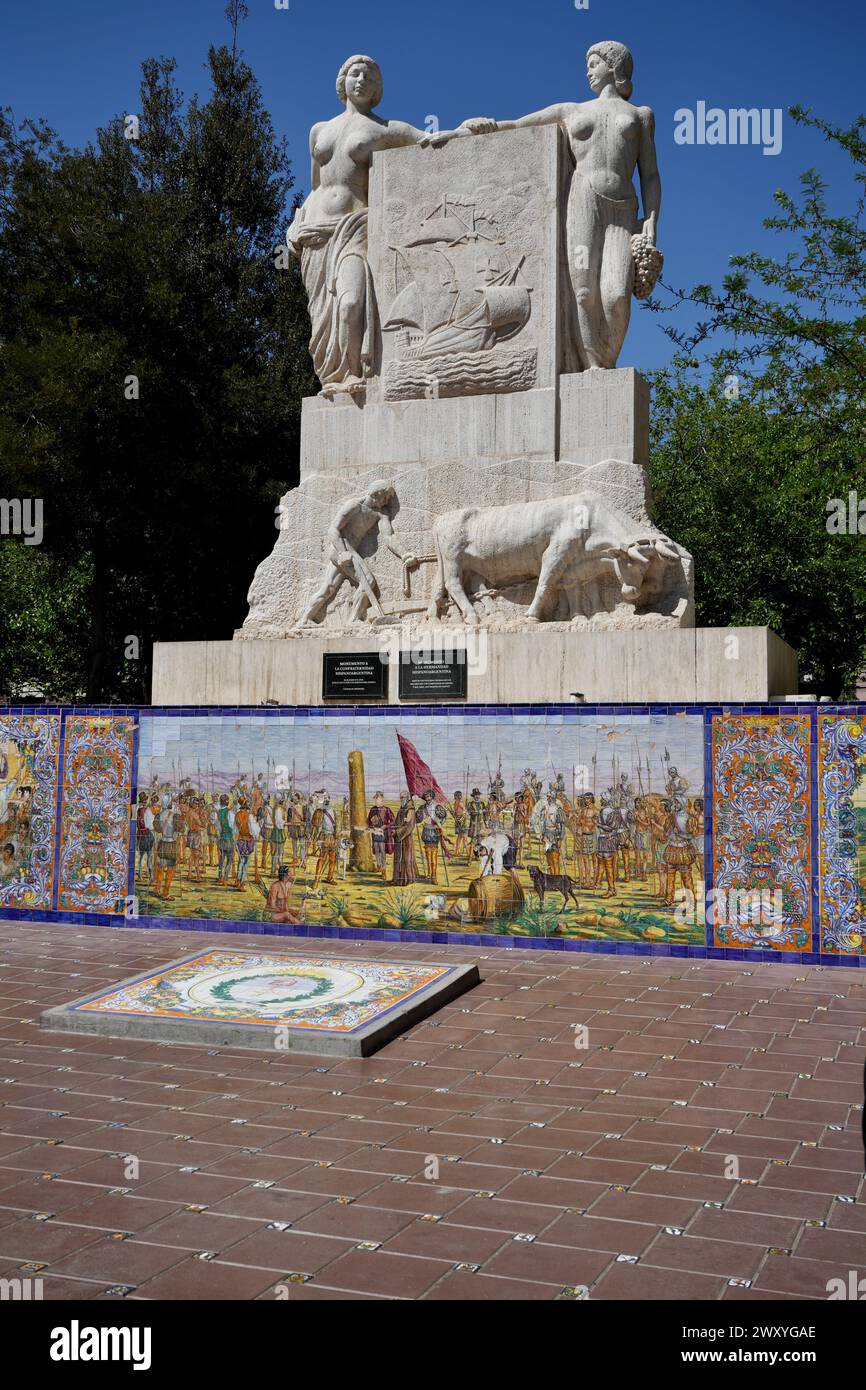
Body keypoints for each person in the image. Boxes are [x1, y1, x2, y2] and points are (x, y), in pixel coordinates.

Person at [452, 40, 660, 370]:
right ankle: (592, 367)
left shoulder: (640, 115)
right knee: (581, 292)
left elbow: (649, 175)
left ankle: (607, 361)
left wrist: (651, 220)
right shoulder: (571, 111)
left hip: (622, 208)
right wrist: (484, 126)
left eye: (595, 63)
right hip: (582, 201)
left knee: (616, 294)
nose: (588, 70)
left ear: (614, 66)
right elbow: (521, 124)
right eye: (588, 64)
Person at [287, 55, 442, 395]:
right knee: (322, 317)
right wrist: (294, 226)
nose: (361, 80)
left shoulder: (385, 129)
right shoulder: (318, 130)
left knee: (350, 303)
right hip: (316, 238)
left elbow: (431, 140)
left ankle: (354, 372)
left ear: (377, 90)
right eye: (355, 74)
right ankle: (334, 380)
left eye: (370, 77)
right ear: (342, 82)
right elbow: (315, 189)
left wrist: (472, 129)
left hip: (355, 229)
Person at [418, 789, 448, 884]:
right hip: (426, 831)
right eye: (426, 797)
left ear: (432, 796)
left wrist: (438, 824)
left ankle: (434, 876)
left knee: (434, 855)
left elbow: (444, 816)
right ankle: (429, 873)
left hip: (434, 832)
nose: (427, 798)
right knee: (427, 854)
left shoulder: (437, 807)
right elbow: (417, 818)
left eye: (429, 796)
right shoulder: (422, 807)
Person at [311, 792, 338, 889]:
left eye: (328, 798)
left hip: (332, 837)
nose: (327, 800)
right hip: (324, 836)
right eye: (325, 799)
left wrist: (336, 836)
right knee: (322, 859)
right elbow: (315, 824)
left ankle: (329, 877)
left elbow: (335, 825)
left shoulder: (333, 811)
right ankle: (316, 880)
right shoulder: (320, 811)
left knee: (332, 859)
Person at [391, 792, 418, 886]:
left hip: (406, 838)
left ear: (407, 798)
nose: (401, 799)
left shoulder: (410, 810)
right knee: (398, 859)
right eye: (400, 797)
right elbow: (397, 822)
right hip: (399, 838)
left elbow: (409, 826)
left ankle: (406, 880)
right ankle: (397, 879)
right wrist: (393, 829)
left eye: (402, 797)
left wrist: (398, 832)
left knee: (406, 859)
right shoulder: (402, 809)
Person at [367, 791, 395, 875]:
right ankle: (378, 866)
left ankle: (384, 870)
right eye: (375, 799)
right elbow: (368, 821)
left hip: (383, 834)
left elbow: (393, 821)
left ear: (382, 800)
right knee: (376, 850)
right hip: (375, 833)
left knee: (382, 851)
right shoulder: (372, 809)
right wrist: (371, 826)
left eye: (377, 799)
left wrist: (386, 826)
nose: (376, 801)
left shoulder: (387, 809)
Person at [216, 794, 236, 885]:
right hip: (229, 839)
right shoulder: (230, 812)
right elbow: (233, 826)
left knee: (221, 858)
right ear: (227, 801)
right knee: (229, 859)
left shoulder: (219, 812)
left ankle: (220, 876)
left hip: (221, 838)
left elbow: (218, 826)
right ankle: (225, 877)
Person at [136, 791, 154, 883]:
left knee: (141, 856)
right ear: (145, 801)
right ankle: (151, 877)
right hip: (147, 834)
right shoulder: (147, 810)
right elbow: (151, 824)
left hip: (139, 834)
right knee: (150, 855)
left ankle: (140, 875)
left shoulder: (137, 809)